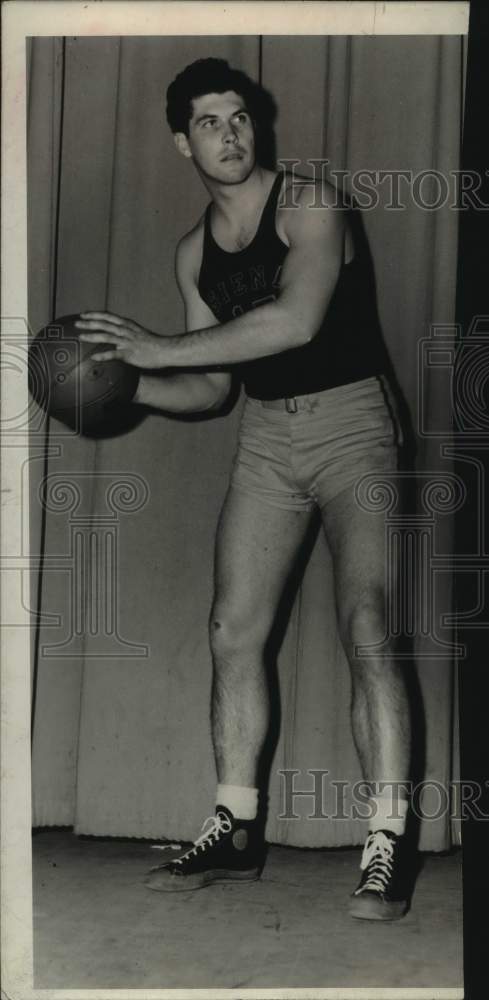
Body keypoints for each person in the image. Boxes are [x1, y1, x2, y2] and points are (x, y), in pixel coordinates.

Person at [77, 58, 414, 921]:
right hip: (267, 436)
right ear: (180, 140)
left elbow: (294, 322)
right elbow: (212, 386)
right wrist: (121, 387)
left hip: (354, 426)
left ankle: (385, 835)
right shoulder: (192, 251)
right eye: (209, 122)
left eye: (240, 118)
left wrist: (153, 347)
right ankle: (234, 824)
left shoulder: (308, 204)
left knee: (366, 621)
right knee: (232, 630)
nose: (230, 135)